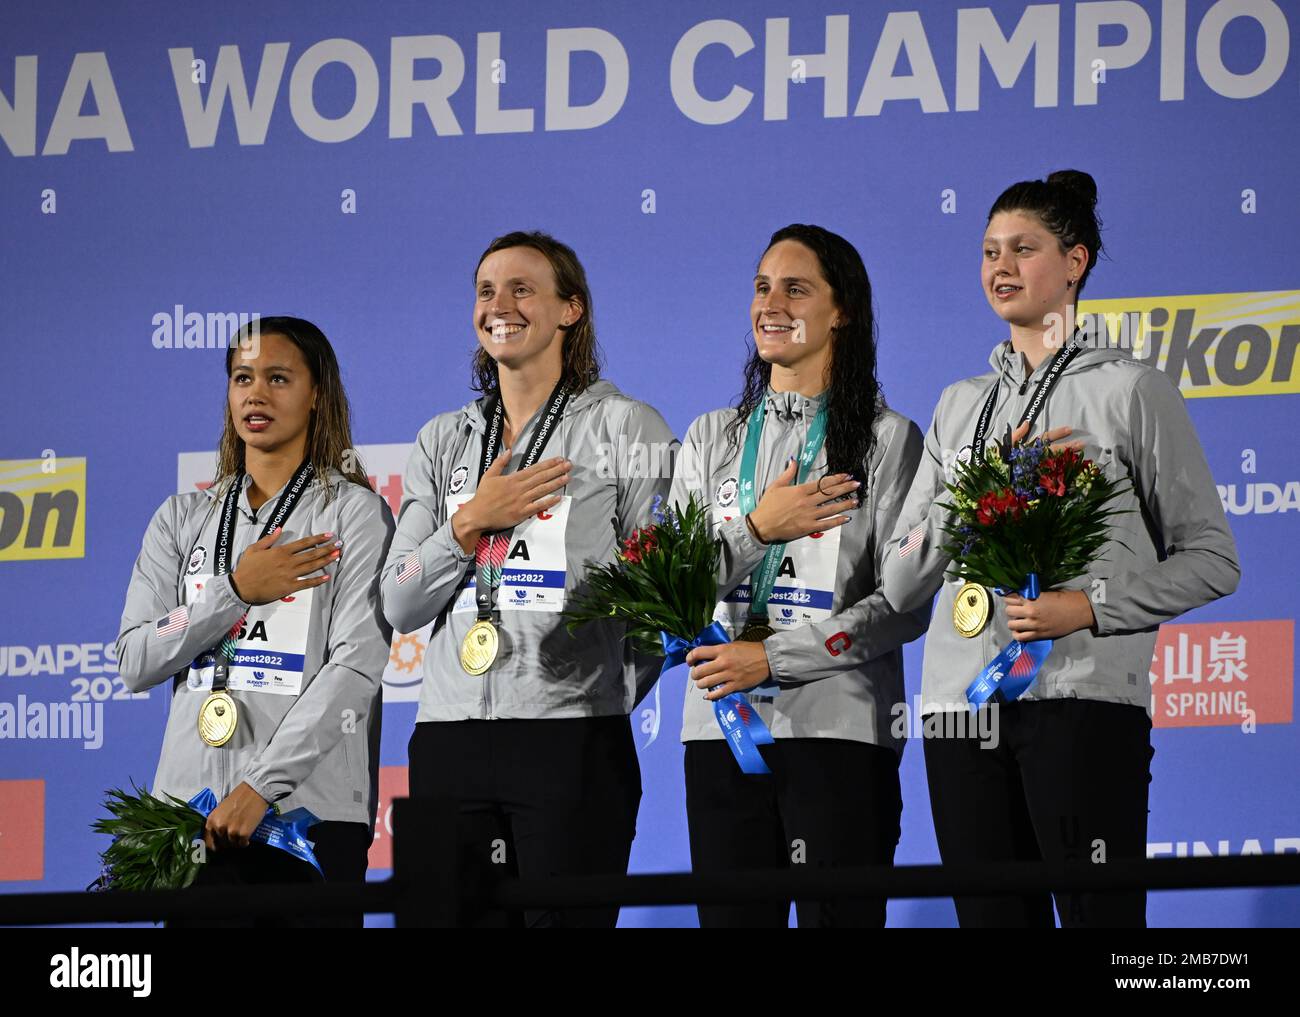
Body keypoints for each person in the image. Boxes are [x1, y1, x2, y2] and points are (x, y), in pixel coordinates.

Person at [881, 170, 1240, 927]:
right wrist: (968, 493)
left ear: (1075, 262)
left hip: (1081, 703)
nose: (1000, 267)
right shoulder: (959, 404)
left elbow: (1213, 557)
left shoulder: (1130, 390)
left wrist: (1089, 606)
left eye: (1023, 248)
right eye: (988, 251)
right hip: (959, 709)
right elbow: (905, 580)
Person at [381, 230, 676, 928]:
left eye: (522, 288)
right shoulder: (443, 439)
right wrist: (470, 522)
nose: (499, 305)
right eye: (486, 291)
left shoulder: (627, 426)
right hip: (448, 736)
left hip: (571, 738)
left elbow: (663, 600)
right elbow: (399, 597)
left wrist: (596, 686)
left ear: (570, 309)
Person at [670, 224, 929, 927]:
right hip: (719, 728)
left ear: (841, 309)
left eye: (795, 287)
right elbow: (669, 591)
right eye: (761, 286)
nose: (771, 302)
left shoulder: (887, 440)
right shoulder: (708, 438)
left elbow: (904, 605)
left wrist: (776, 657)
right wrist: (757, 530)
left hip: (839, 733)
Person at [117, 316, 394, 927]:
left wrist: (260, 788)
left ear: (317, 392)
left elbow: (355, 667)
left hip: (307, 816)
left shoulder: (353, 513)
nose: (256, 394)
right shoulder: (182, 517)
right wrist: (234, 590)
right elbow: (135, 659)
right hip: (188, 819)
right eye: (242, 378)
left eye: (277, 377)